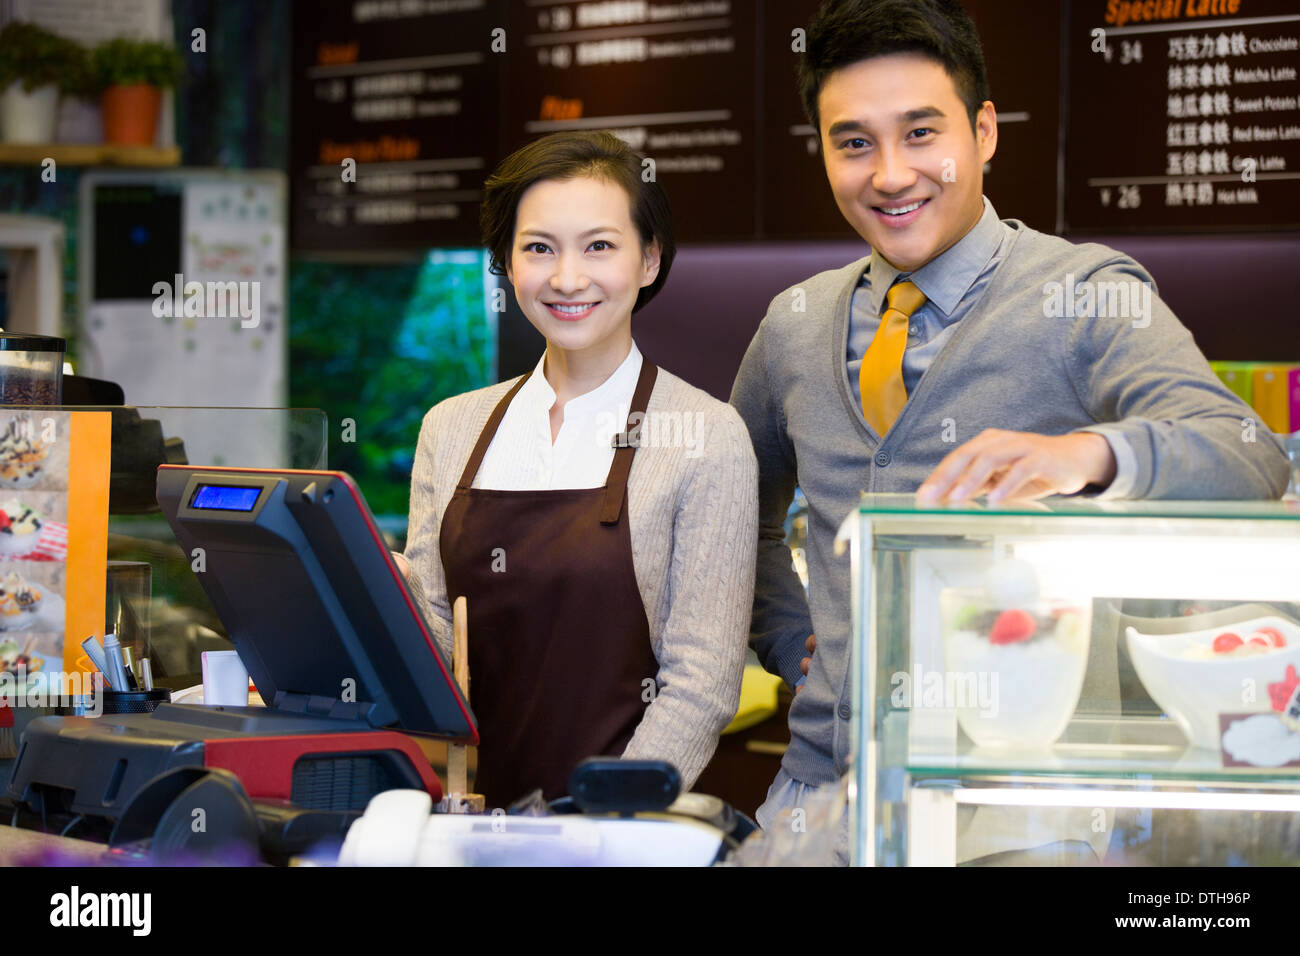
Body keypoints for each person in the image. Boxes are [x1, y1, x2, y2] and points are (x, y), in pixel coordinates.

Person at [729, 0, 1292, 862]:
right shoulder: (793, 325)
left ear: (984, 131)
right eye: (854, 142)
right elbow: (742, 518)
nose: (889, 173)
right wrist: (788, 636)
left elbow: (1243, 450)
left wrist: (1087, 454)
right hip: (822, 788)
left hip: (1024, 804)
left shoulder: (1083, 293)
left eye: (922, 133)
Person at [398, 130, 758, 808]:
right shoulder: (451, 428)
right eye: (539, 248)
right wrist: (386, 602)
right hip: (471, 819)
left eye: (599, 246)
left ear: (649, 259)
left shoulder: (707, 438)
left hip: (618, 830)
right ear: (506, 262)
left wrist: (596, 824)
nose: (567, 278)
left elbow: (701, 686)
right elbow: (439, 648)